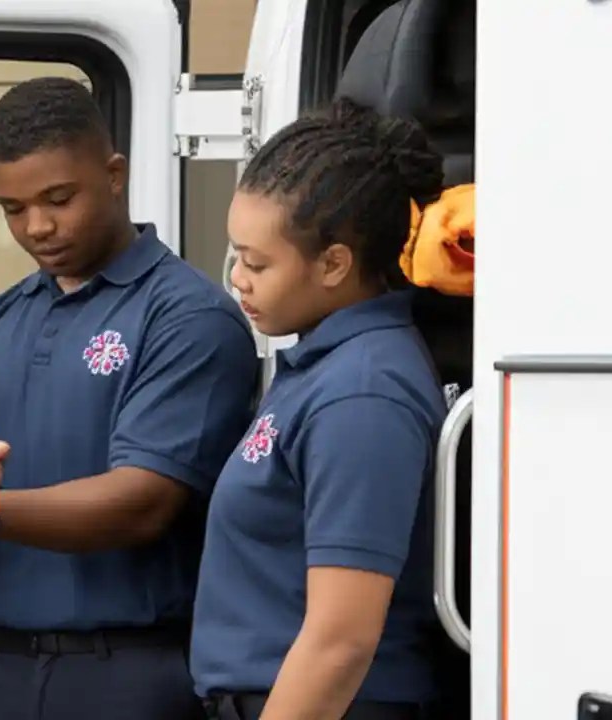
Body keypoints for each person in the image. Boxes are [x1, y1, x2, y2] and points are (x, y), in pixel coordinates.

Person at [0, 77, 260, 720]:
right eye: (13, 208)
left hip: (128, 673)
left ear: (114, 174)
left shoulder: (187, 317)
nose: (38, 227)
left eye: (58, 198)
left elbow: (143, 503)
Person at [191, 97, 449, 720]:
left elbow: (341, 641)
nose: (239, 281)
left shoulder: (363, 392)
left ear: (334, 263)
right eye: (235, 257)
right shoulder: (321, 364)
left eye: (257, 264)